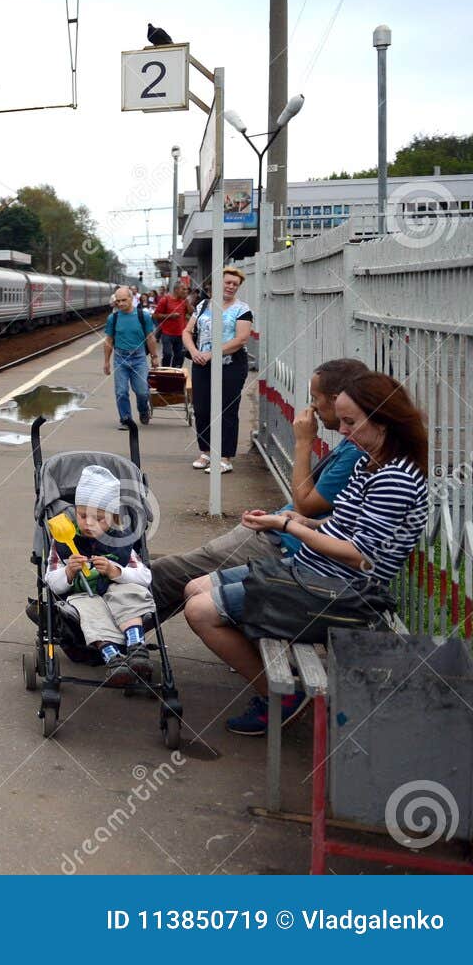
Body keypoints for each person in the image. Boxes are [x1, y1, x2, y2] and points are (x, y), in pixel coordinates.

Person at [183, 372, 429, 735]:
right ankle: (265, 671)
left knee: (199, 611)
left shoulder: (394, 477)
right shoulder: (371, 460)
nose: (342, 431)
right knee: (194, 588)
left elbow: (359, 556)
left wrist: (289, 529)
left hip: (340, 595)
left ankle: (279, 698)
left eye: (350, 422)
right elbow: (345, 525)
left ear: (383, 421)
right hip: (311, 574)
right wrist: (298, 520)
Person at [148, 358, 369, 622]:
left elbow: (305, 504)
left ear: (336, 400)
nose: (312, 406)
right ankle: (121, 637)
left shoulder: (356, 451)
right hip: (279, 534)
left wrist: (303, 442)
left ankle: (111, 637)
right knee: (176, 574)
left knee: (167, 573)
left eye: (315, 398)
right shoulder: (354, 445)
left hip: (286, 547)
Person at [42, 465, 156, 686]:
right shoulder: (64, 541)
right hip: (84, 593)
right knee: (88, 608)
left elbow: (144, 577)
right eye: (83, 516)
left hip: (116, 590)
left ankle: (136, 647)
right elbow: (51, 582)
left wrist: (117, 571)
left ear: (113, 520)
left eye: (99, 519)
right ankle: (112, 657)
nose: (89, 523)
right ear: (75, 512)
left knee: (129, 592)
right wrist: (67, 572)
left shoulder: (121, 542)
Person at [184, 266, 254, 472]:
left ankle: (224, 457)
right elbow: (187, 332)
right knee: (202, 408)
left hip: (230, 365)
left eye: (235, 284)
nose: (231, 287)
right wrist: (194, 351)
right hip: (201, 363)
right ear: (217, 283)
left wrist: (213, 353)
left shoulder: (243, 309)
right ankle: (205, 452)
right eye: (228, 282)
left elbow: (241, 339)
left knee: (226, 409)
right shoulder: (203, 306)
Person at [102, 286, 160, 428]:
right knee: (121, 391)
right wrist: (106, 362)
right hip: (120, 358)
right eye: (118, 301)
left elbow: (150, 337)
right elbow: (108, 340)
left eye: (124, 300)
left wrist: (154, 356)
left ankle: (143, 410)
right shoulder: (113, 318)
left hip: (139, 358)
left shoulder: (143, 316)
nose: (120, 303)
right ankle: (126, 419)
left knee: (142, 391)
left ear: (132, 299)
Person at [152, 281, 190, 367]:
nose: (186, 291)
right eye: (183, 289)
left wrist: (187, 302)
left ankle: (175, 374)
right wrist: (170, 316)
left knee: (180, 356)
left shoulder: (184, 301)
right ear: (176, 290)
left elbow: (191, 312)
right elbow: (155, 316)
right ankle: (165, 372)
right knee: (167, 354)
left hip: (181, 334)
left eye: (186, 289)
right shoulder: (165, 300)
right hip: (167, 334)